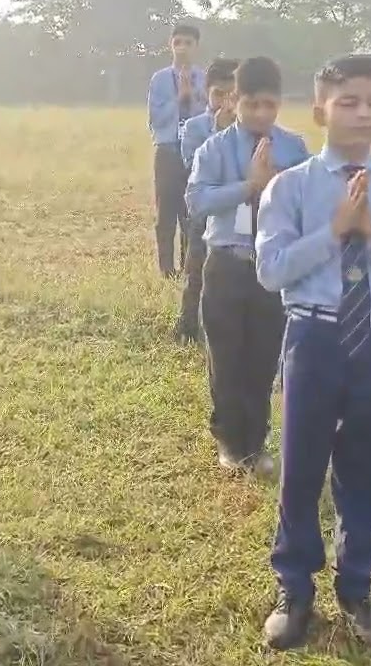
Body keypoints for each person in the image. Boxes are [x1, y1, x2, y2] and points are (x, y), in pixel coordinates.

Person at [255, 54, 371, 651]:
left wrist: (369, 233)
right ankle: (295, 588)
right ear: (319, 109)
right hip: (313, 334)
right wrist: (333, 230)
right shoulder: (291, 185)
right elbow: (271, 268)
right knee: (301, 463)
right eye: (349, 101)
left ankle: (356, 584)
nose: (363, 114)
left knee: (369, 465)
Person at [186, 56, 308, 474]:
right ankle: (230, 441)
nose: (260, 114)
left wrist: (276, 187)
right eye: (252, 104)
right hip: (227, 263)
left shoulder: (294, 148)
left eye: (269, 106)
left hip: (273, 266)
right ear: (235, 99)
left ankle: (256, 443)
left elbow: (309, 201)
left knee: (263, 357)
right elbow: (197, 201)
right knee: (226, 358)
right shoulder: (214, 149)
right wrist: (248, 187)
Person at [173, 56, 239, 343]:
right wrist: (219, 131)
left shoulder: (250, 128)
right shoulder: (194, 127)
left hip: (239, 210)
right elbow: (190, 164)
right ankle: (188, 326)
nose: (226, 101)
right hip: (204, 210)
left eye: (233, 95)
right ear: (206, 93)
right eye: (218, 94)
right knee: (196, 270)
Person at [147, 24, 206, 277]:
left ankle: (188, 268)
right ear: (170, 44)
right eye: (177, 42)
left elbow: (207, 113)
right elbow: (155, 119)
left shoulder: (204, 79)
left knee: (191, 212)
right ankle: (166, 269)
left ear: (196, 47)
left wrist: (191, 96)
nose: (182, 47)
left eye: (188, 43)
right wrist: (179, 98)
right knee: (166, 212)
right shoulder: (160, 79)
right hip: (168, 149)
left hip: (196, 152)